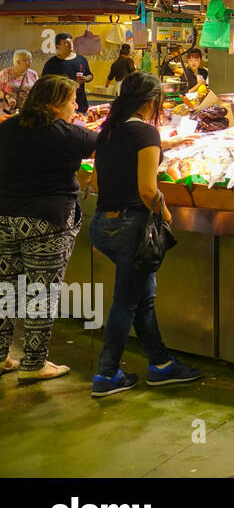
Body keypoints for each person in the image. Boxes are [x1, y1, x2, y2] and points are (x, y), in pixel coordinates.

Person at [89, 72, 201, 397]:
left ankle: (161, 365)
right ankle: (106, 375)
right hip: (133, 228)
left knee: (141, 299)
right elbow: (149, 190)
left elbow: (97, 182)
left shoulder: (108, 131)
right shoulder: (146, 132)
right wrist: (167, 217)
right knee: (126, 302)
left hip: (101, 223)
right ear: (152, 101)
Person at [0, 76, 98, 382]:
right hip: (47, 223)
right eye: (71, 101)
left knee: (7, 291)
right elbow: (107, 147)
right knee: (41, 292)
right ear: (56, 104)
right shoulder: (64, 133)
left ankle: (0, 356)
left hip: (5, 220)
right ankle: (33, 363)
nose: (74, 107)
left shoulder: (9, 128)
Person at [41, 32, 92, 113]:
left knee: (80, 123)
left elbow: (90, 75)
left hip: (80, 102)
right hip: (60, 103)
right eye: (66, 43)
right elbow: (44, 83)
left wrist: (86, 78)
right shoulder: (51, 63)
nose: (70, 44)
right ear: (58, 46)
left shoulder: (81, 59)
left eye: (71, 42)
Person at [0, 49, 38, 113]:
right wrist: (7, 97)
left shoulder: (33, 74)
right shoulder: (5, 73)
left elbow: (38, 90)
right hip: (7, 110)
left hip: (27, 110)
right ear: (18, 62)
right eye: (27, 60)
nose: (30, 62)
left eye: (30, 59)